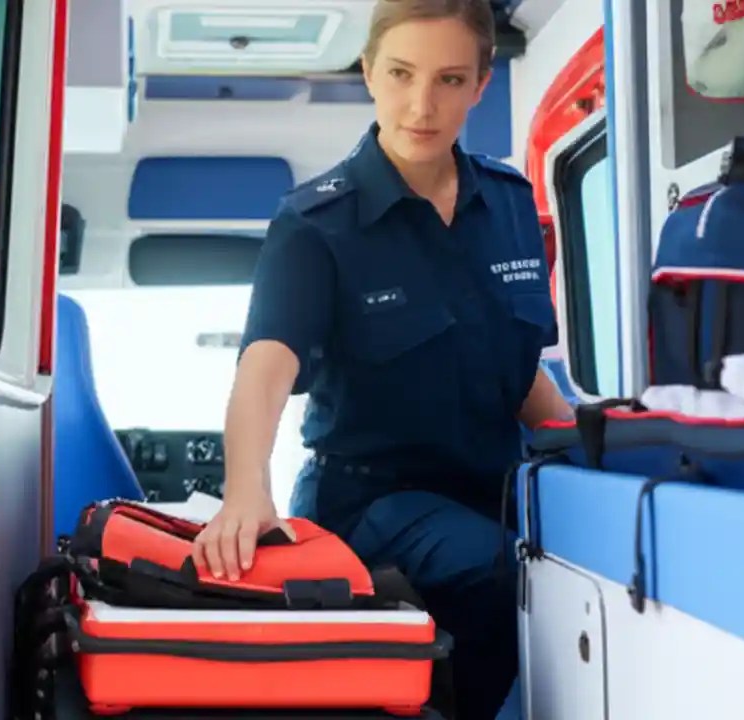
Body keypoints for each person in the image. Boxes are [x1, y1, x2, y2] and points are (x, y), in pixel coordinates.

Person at [192, 1, 572, 717]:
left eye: (449, 80)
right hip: (369, 502)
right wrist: (245, 490)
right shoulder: (315, 224)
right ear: (369, 72)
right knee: (508, 567)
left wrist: (598, 452)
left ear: (481, 83)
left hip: (491, 488)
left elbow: (517, 372)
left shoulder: (513, 203)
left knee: (585, 553)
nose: (421, 105)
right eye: (401, 74)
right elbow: (264, 370)